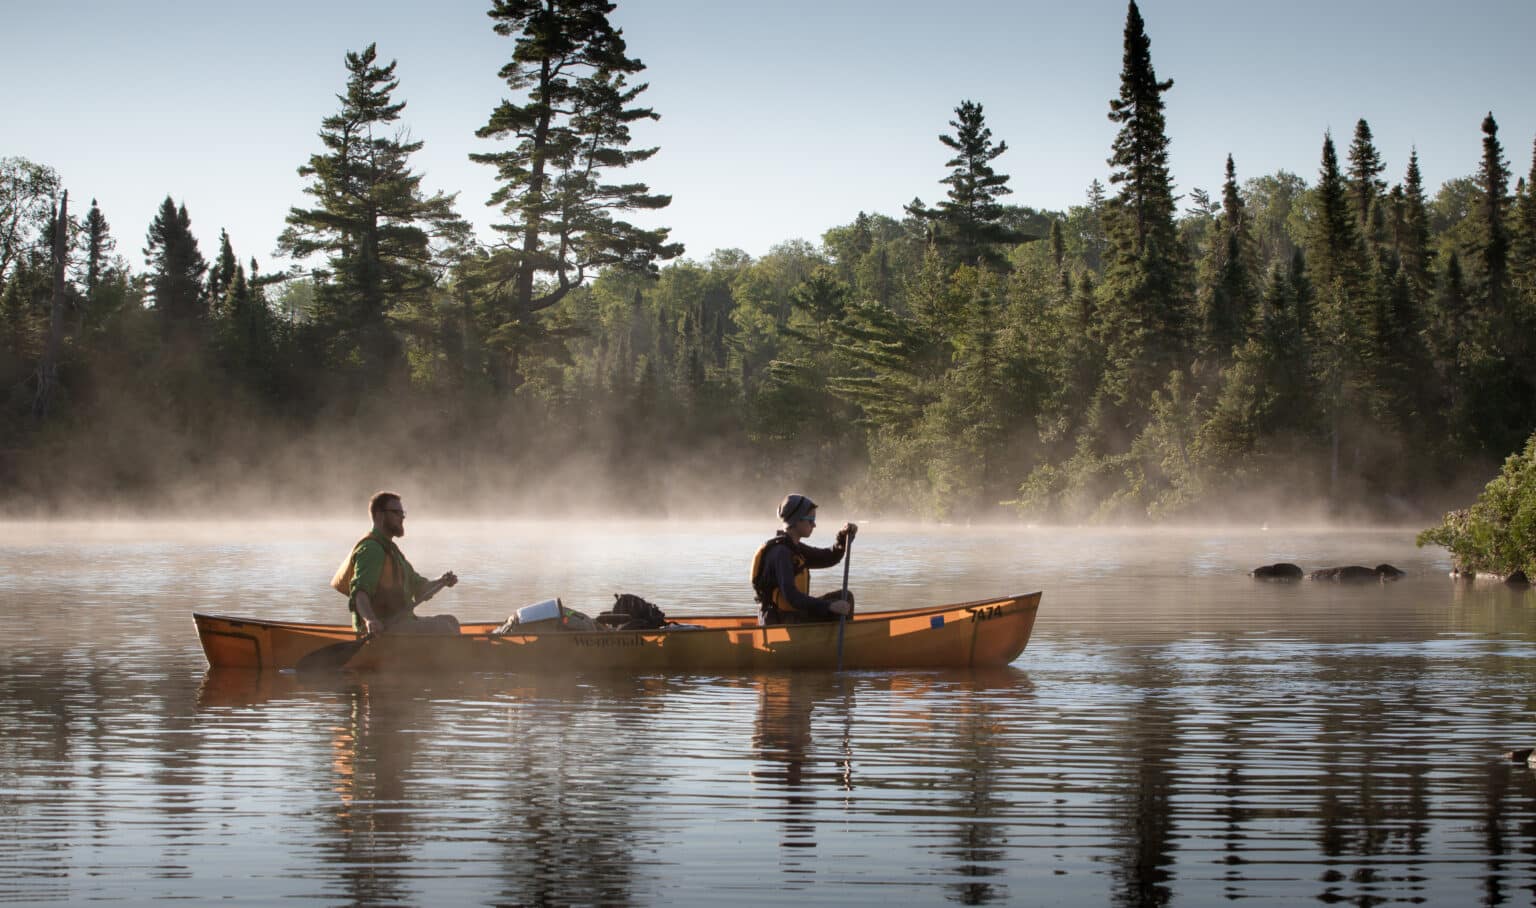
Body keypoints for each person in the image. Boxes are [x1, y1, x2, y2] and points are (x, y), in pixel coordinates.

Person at [339, 491, 461, 636]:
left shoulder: (392, 551)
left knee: (451, 621)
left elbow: (420, 588)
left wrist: (442, 581)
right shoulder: (371, 550)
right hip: (381, 630)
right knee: (443, 628)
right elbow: (360, 593)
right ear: (379, 515)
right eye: (396, 512)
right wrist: (370, 620)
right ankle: (461, 656)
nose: (402, 517)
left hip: (401, 624)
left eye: (403, 513)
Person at [751, 493, 858, 626]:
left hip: (791, 615)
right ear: (796, 521)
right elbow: (792, 598)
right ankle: (843, 642)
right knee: (842, 600)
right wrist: (828, 606)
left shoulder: (794, 548)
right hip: (780, 621)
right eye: (810, 520)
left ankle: (838, 639)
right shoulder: (781, 553)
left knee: (844, 597)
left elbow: (828, 558)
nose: (814, 525)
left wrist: (843, 538)